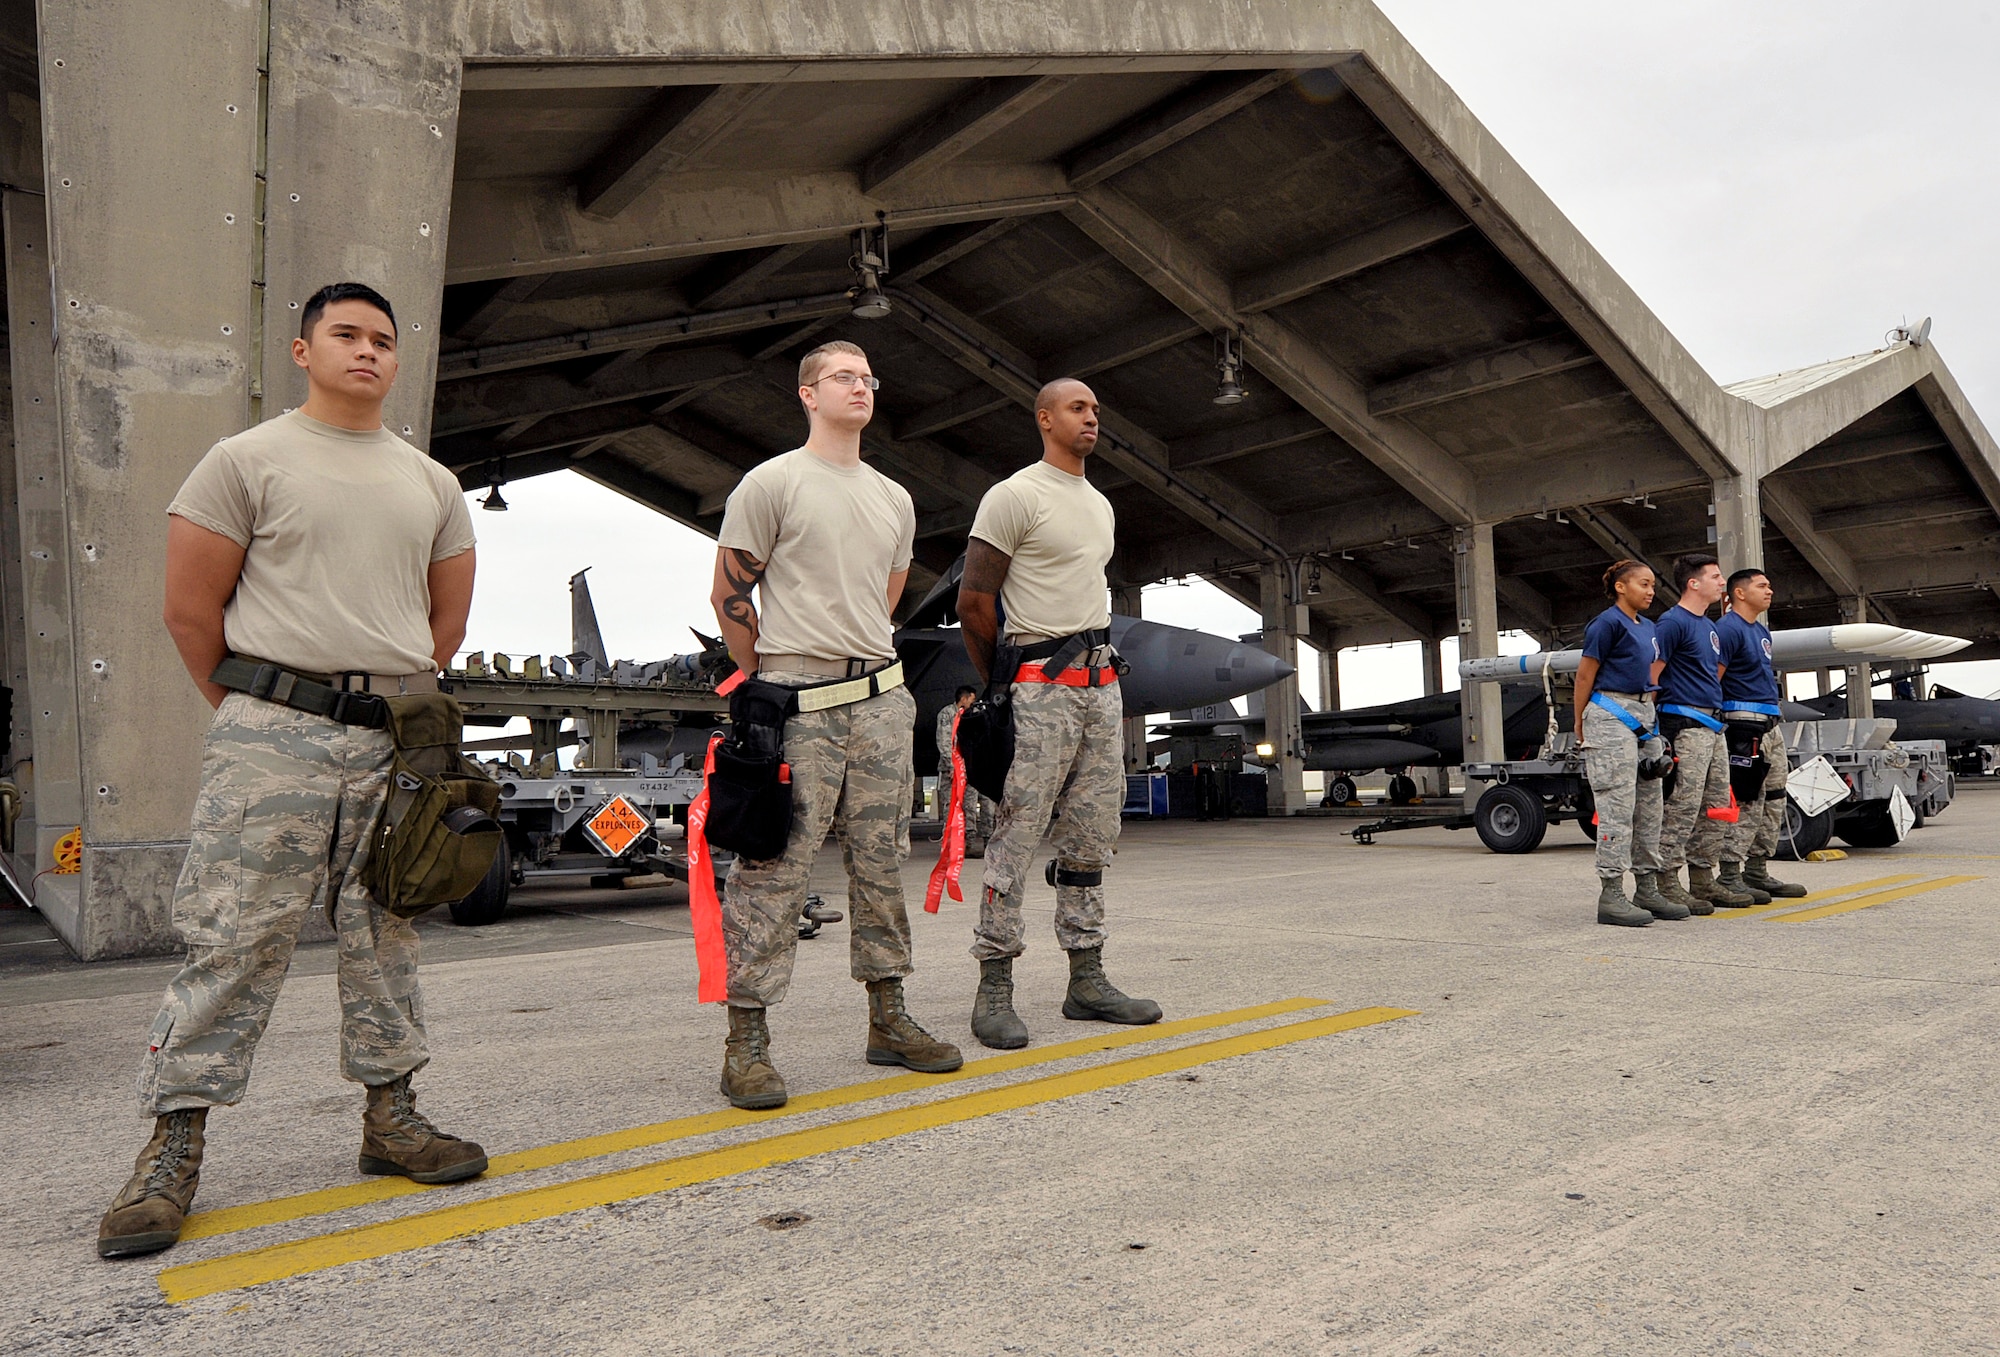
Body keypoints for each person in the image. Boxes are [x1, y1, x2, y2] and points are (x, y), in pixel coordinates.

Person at [97, 283, 486, 1260]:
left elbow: (443, 625)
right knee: (233, 937)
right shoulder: (247, 460)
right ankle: (171, 1147)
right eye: (346, 335)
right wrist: (252, 713)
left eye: (382, 340)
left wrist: (379, 699)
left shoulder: (429, 484)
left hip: (393, 736)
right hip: (273, 726)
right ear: (302, 350)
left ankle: (391, 1118)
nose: (367, 351)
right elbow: (191, 611)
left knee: (386, 927)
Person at [709, 340, 961, 1111]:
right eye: (843, 376)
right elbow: (730, 595)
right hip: (796, 700)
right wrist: (770, 679)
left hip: (881, 699)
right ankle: (745, 1042)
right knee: (772, 866)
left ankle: (888, 1016)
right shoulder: (773, 482)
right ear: (808, 395)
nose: (861, 385)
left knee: (882, 862)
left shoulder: (894, 497)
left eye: (868, 375)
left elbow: (884, 597)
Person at [957, 377, 1161, 1049]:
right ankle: (994, 985)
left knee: (1090, 838)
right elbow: (975, 601)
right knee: (1015, 835)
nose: (1092, 418)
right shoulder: (1014, 495)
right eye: (1078, 408)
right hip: (1038, 688)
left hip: (1101, 689)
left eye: (1097, 409)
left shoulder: (1098, 503)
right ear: (1045, 419)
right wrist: (1000, 686)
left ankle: (1087, 977)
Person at [1574, 560, 1676, 926]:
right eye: (1644, 584)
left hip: (1644, 716)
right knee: (1617, 805)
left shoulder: (1647, 627)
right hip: (1609, 712)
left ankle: (1647, 887)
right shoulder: (1606, 624)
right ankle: (1611, 892)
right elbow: (1585, 675)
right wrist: (1579, 721)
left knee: (1650, 808)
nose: (1651, 591)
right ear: (1621, 587)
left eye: (1652, 585)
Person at [1653, 553, 1756, 911]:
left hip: (1713, 728)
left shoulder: (1710, 627)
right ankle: (1666, 881)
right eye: (1714, 576)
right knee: (1682, 806)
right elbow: (1653, 674)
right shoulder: (1672, 623)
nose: (1721, 581)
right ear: (1693, 583)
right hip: (1685, 726)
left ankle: (1702, 880)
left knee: (1717, 808)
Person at [1718, 568, 1807, 898]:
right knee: (1746, 800)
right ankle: (1729, 873)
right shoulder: (1727, 630)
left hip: (1769, 725)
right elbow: (1714, 677)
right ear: (1739, 593)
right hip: (1743, 727)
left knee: (1774, 797)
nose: (1770, 590)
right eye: (1762, 585)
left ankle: (1757, 869)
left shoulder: (1761, 632)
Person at [936, 684, 995, 856]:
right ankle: (952, 845)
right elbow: (944, 741)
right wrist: (951, 766)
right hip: (953, 769)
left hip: (969, 768)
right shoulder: (947, 714)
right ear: (964, 698)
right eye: (972, 698)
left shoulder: (973, 714)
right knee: (951, 806)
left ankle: (973, 842)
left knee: (972, 805)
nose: (973, 702)